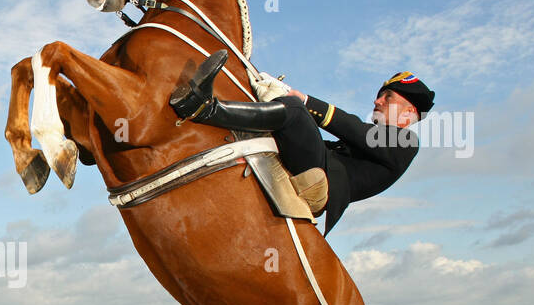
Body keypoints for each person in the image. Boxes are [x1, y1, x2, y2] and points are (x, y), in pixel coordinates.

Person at [169, 50, 435, 234]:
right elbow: (325, 142)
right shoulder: (374, 144)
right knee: (281, 121)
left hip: (321, 185)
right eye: (380, 96)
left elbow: (356, 130)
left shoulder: (406, 142)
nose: (377, 101)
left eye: (388, 97)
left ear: (409, 113)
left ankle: (205, 110)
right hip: (316, 172)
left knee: (295, 111)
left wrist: (305, 103)